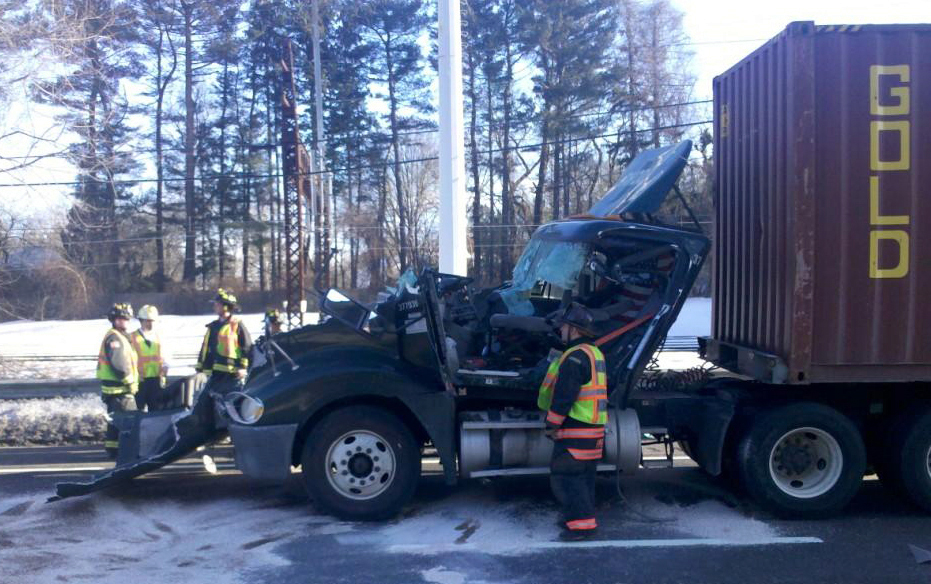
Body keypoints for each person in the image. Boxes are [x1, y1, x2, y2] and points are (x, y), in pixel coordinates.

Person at [538, 303, 609, 541]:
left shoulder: (574, 358)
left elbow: (564, 396)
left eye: (564, 326)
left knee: (568, 478)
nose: (561, 331)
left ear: (575, 330)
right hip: (593, 431)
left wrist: (552, 424)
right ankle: (577, 518)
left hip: (576, 430)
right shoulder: (594, 353)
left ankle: (582, 527)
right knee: (584, 478)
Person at [97, 303, 139, 459]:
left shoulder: (119, 336)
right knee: (129, 420)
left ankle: (113, 450)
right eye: (121, 319)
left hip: (114, 390)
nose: (125, 322)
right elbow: (120, 364)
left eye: (127, 319)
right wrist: (129, 382)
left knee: (115, 421)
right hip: (120, 389)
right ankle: (129, 451)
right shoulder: (115, 338)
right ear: (114, 320)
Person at [196, 288, 253, 396]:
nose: (214, 307)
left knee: (229, 403)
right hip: (213, 373)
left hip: (231, 374)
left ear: (225, 306)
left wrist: (243, 368)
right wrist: (200, 367)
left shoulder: (237, 325)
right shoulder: (213, 326)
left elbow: (247, 347)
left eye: (217, 304)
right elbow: (205, 348)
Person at [131, 304, 170, 411]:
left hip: (156, 380)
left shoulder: (159, 336)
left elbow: (165, 355)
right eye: (148, 321)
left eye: (153, 321)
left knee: (157, 410)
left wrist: (166, 366)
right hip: (140, 381)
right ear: (141, 321)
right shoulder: (132, 337)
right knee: (138, 411)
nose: (151, 323)